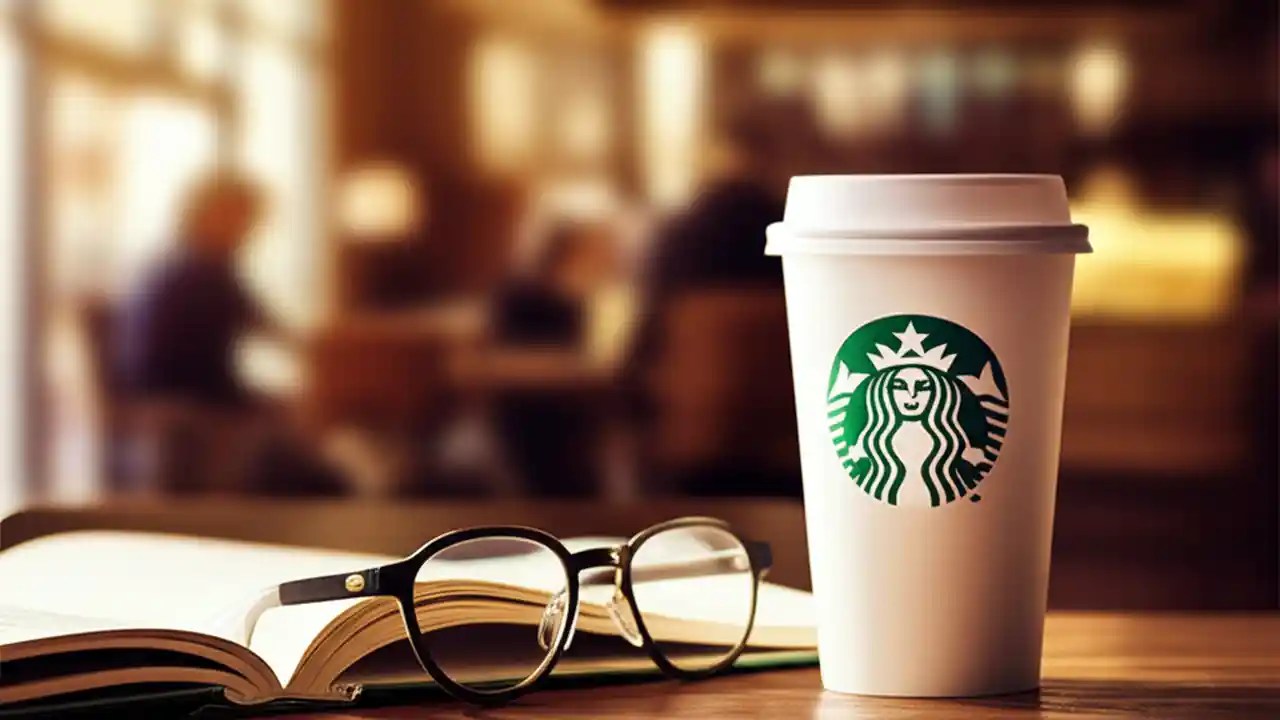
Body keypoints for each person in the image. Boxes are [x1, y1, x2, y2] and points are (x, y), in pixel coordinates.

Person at [115, 172, 340, 495]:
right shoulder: (206, 269)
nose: (249, 230)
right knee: (294, 417)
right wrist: (319, 352)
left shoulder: (174, 262)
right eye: (244, 218)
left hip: (162, 383)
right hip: (190, 390)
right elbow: (266, 326)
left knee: (289, 412)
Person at [490, 219, 620, 496]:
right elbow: (500, 360)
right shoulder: (523, 296)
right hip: (529, 413)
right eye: (600, 251)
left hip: (578, 418)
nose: (610, 260)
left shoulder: (584, 301)